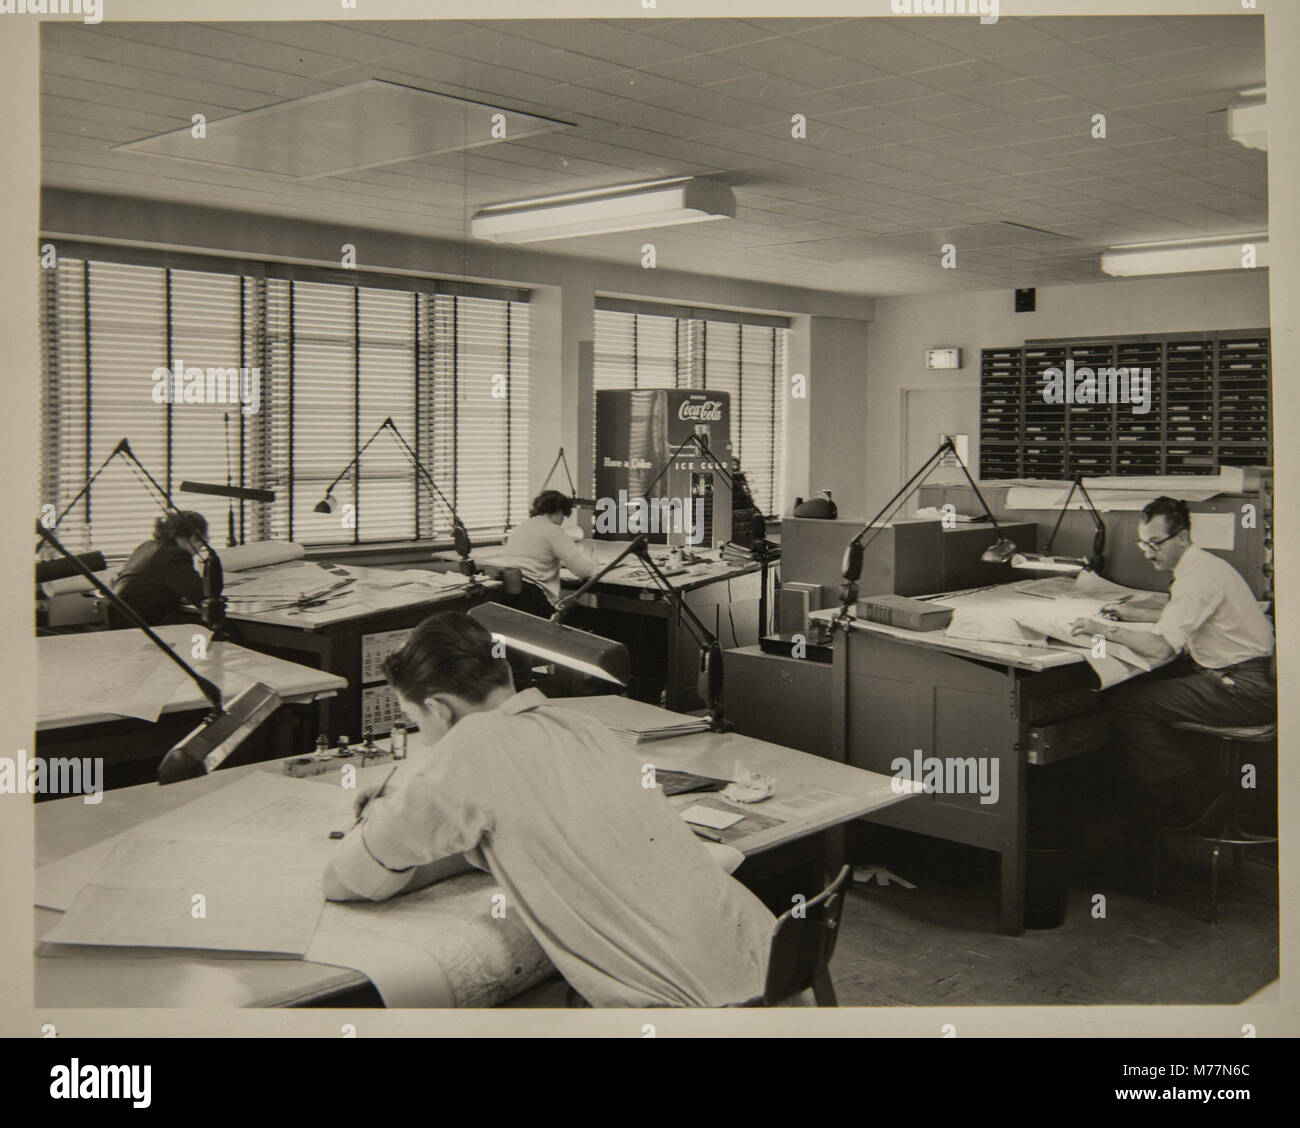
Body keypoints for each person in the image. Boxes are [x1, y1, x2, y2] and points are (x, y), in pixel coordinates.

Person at [322, 610, 774, 1007]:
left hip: (684, 1012)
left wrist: (380, 820)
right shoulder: (583, 726)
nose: (422, 735)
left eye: (416, 721)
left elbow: (345, 879)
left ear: (438, 710)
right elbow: (523, 834)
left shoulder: (472, 746)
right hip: (771, 971)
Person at [1069, 496, 1275, 826]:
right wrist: (1132, 612)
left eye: (1155, 543)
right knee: (1144, 687)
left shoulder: (1196, 579)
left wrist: (1101, 629)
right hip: (1246, 676)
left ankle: (1191, 796)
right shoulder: (1203, 565)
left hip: (1245, 688)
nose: (1148, 552)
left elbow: (1160, 649)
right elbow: (1186, 614)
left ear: (1181, 538)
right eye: (1143, 543)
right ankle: (1183, 786)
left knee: (1126, 703)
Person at [499, 489, 599, 614]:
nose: (563, 520)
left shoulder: (521, 527)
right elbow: (583, 570)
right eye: (564, 516)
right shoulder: (554, 531)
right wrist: (593, 563)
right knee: (588, 615)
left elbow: (534, 557)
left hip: (512, 596)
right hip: (535, 598)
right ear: (560, 511)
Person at [109, 511, 210, 628]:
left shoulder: (147, 546)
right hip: (143, 624)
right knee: (224, 627)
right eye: (203, 542)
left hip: (121, 621)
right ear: (194, 536)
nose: (199, 550)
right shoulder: (175, 555)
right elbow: (201, 596)